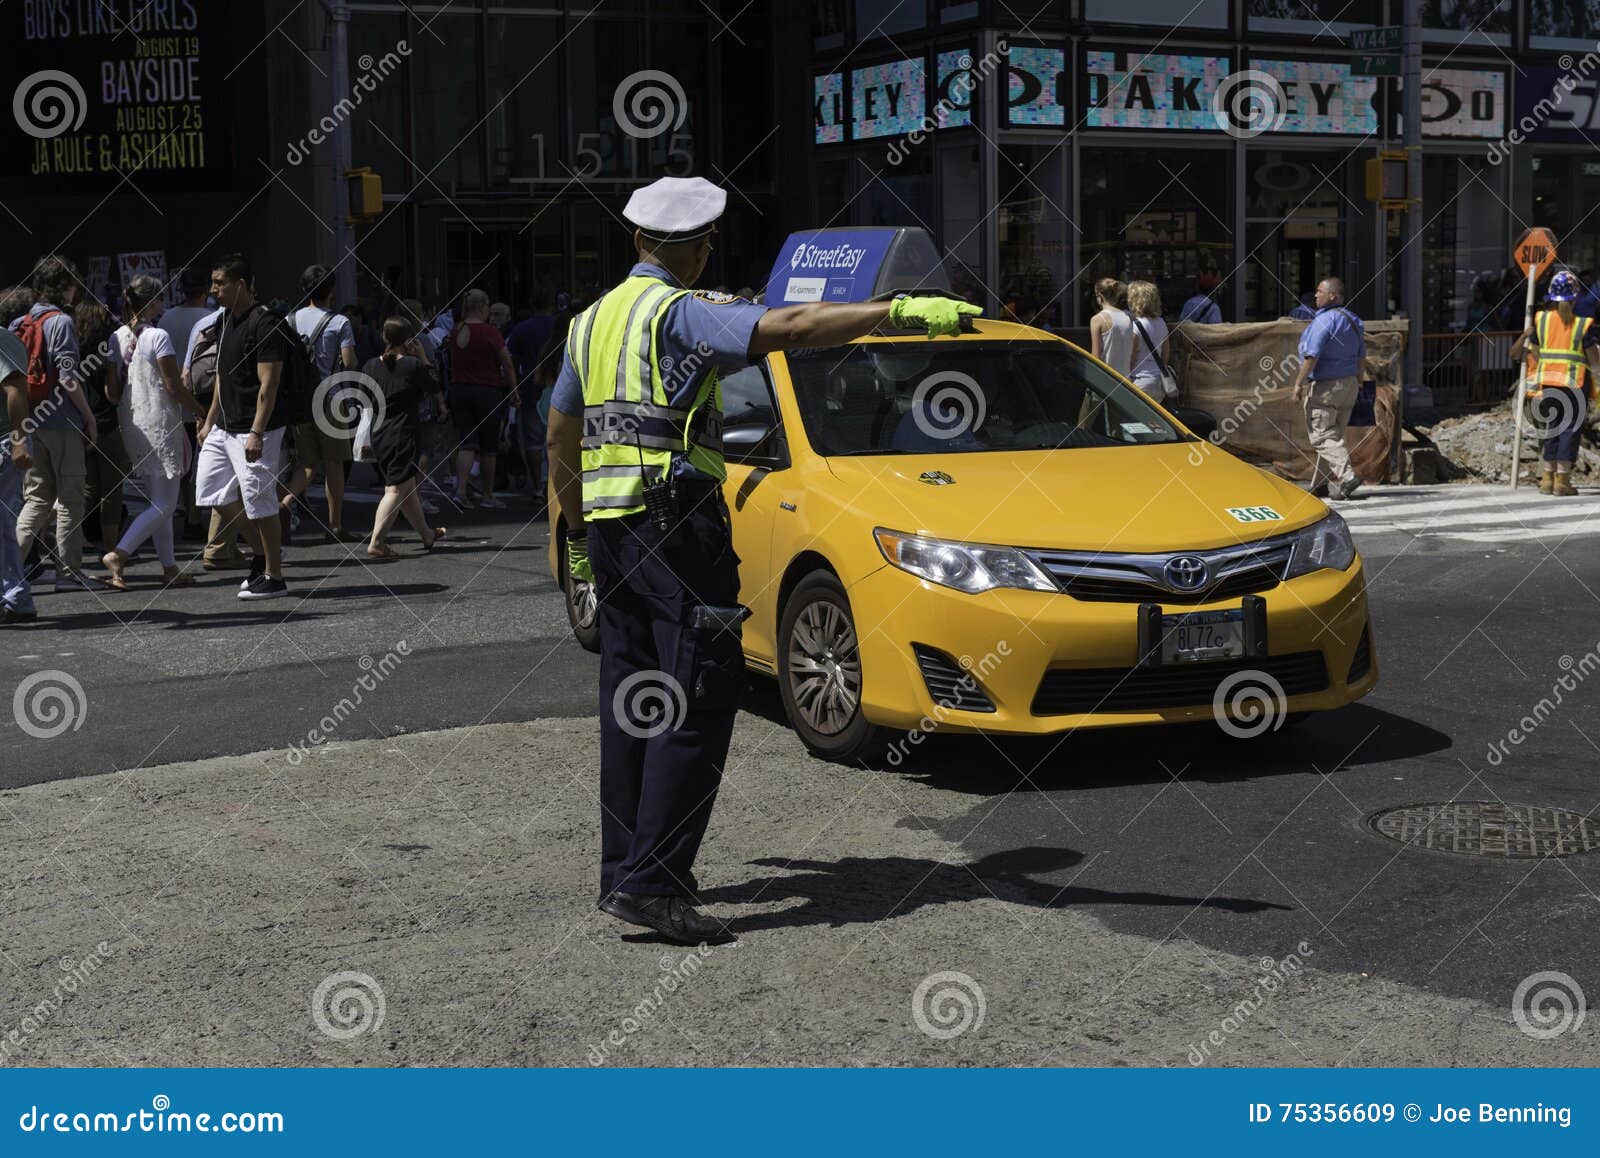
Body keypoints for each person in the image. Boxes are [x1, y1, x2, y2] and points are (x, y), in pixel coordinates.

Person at [544, 175, 980, 946]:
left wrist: (577, 539)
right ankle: (654, 886)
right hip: (676, 530)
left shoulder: (589, 322)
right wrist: (898, 309)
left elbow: (558, 435)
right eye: (708, 243)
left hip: (613, 538)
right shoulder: (679, 313)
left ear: (635, 241)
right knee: (699, 697)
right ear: (694, 247)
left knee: (634, 701)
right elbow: (798, 325)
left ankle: (625, 872)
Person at [193, 254, 291, 600]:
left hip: (254, 426)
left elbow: (270, 384)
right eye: (213, 282)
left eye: (220, 283)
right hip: (224, 425)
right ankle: (263, 553)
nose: (213, 289)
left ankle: (275, 577)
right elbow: (222, 374)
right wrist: (208, 421)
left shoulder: (265, 323)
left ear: (242, 285)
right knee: (212, 492)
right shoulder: (224, 320)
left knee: (260, 501)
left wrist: (257, 432)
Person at [102, 275, 208, 589]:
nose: (164, 303)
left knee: (157, 499)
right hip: (161, 422)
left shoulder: (116, 337)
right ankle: (119, 554)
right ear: (151, 303)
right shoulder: (158, 336)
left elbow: (111, 391)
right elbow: (174, 386)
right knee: (165, 504)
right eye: (160, 298)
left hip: (132, 423)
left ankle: (169, 567)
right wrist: (201, 411)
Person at [9, 255, 102, 591]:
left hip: (29, 423)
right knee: (71, 498)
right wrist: (88, 416)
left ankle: (8, 570)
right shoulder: (61, 322)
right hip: (62, 421)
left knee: (35, 499)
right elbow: (68, 376)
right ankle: (68, 572)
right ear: (67, 286)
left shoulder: (17, 324)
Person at [286, 264, 361, 543]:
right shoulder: (339, 322)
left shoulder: (289, 320)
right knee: (334, 463)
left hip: (299, 401)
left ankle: (284, 505)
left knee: (307, 462)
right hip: (329, 399)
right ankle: (334, 525)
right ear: (331, 290)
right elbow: (350, 362)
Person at [363, 316, 447, 557]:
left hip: (379, 434)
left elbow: (365, 396)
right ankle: (377, 543)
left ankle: (426, 535)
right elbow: (434, 386)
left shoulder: (370, 365)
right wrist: (422, 357)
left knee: (406, 487)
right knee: (394, 490)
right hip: (403, 435)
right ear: (409, 340)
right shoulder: (413, 365)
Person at [1510, 270, 1598, 497]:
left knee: (1553, 428)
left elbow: (1535, 351)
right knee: (1570, 429)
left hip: (1548, 382)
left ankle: (1547, 480)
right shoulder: (1581, 324)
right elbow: (1594, 360)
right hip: (1574, 384)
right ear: (1576, 296)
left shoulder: (1541, 320)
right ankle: (1562, 480)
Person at [1291, 276, 1367, 501]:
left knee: (1322, 437)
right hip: (1349, 384)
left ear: (1332, 295)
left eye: (1319, 291)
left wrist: (1298, 384)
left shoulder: (1324, 322)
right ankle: (1320, 486)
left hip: (1326, 387)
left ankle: (1347, 477)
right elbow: (1362, 355)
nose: (1315, 295)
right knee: (1333, 436)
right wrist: (1360, 381)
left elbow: (1311, 355)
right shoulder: (1354, 320)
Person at [449, 288, 519, 509]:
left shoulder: (456, 329)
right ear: (481, 307)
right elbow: (506, 363)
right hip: (487, 391)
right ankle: (487, 495)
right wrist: (514, 390)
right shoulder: (490, 332)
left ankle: (460, 491)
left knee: (466, 442)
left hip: (459, 389)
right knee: (489, 446)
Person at [75, 300, 129, 560]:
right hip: (107, 426)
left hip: (80, 425)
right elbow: (113, 394)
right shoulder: (107, 350)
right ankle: (111, 548)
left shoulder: (73, 349)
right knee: (111, 491)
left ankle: (65, 539)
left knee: (87, 489)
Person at [0, 325, 36, 624]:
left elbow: (15, 388)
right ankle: (14, 596)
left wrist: (19, 440)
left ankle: (16, 596)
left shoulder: (1, 339)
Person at [1125, 280, 1172, 401]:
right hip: (1159, 382)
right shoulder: (1161, 323)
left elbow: (1131, 357)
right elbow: (1166, 354)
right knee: (1151, 420)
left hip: (1139, 381)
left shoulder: (1135, 326)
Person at [1088, 278, 1133, 377]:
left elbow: (1096, 356)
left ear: (1099, 296)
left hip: (1107, 379)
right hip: (1127, 379)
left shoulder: (1098, 319)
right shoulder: (1129, 316)